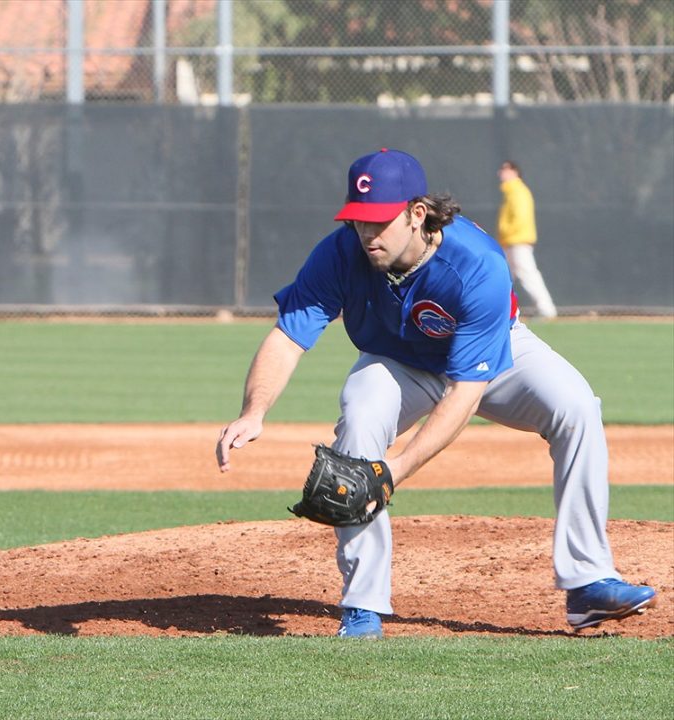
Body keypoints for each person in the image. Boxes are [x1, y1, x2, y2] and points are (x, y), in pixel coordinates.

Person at [215, 148, 656, 639]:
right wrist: (253, 412)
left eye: (378, 221)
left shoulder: (476, 265)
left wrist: (394, 471)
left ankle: (587, 582)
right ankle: (362, 606)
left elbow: (467, 391)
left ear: (416, 214)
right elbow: (289, 335)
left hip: (491, 352)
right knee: (360, 416)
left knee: (576, 406)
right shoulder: (340, 253)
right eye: (357, 220)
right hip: (400, 361)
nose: (365, 233)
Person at [496, 160, 558, 319]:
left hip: (518, 241)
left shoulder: (518, 191)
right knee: (503, 275)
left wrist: (507, 233)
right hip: (510, 241)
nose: (501, 173)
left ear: (515, 172)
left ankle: (546, 309)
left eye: (505, 169)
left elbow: (520, 218)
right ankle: (498, 310)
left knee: (527, 273)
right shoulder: (511, 191)